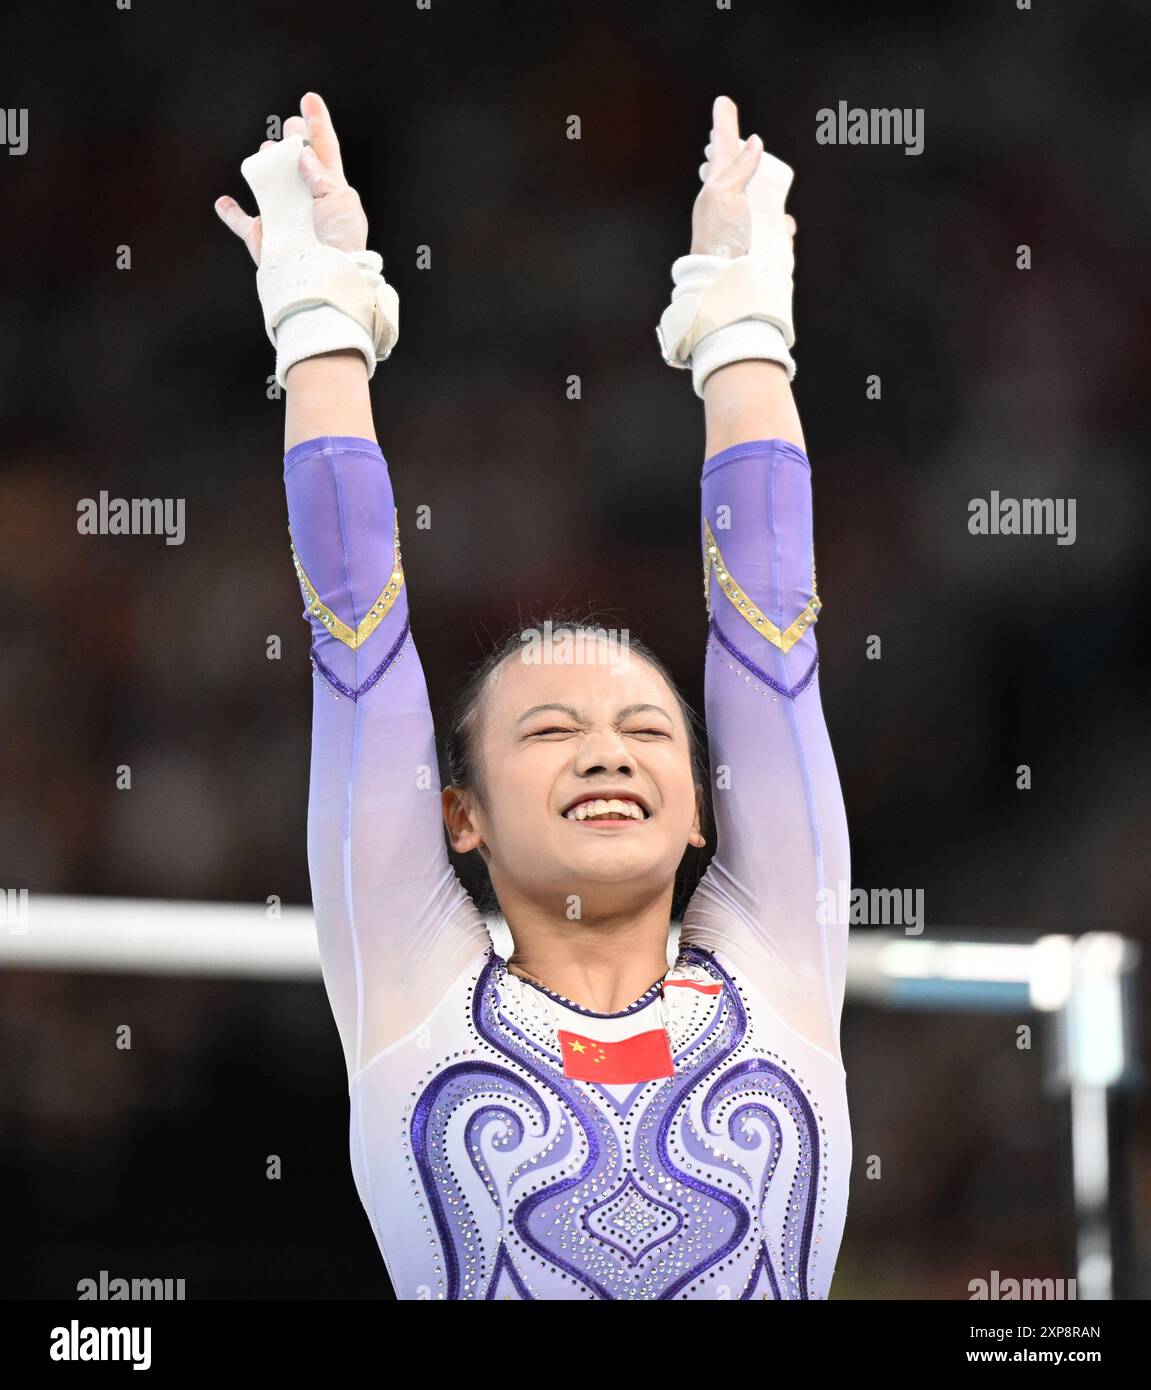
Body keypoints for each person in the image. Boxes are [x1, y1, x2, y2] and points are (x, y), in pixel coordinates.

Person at [216, 91, 851, 1300]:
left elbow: (771, 629)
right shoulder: (413, 990)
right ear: (459, 815)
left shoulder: (777, 963)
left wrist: (741, 322)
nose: (605, 754)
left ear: (704, 810)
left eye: (645, 729)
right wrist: (316, 315)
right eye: (550, 730)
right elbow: (355, 639)